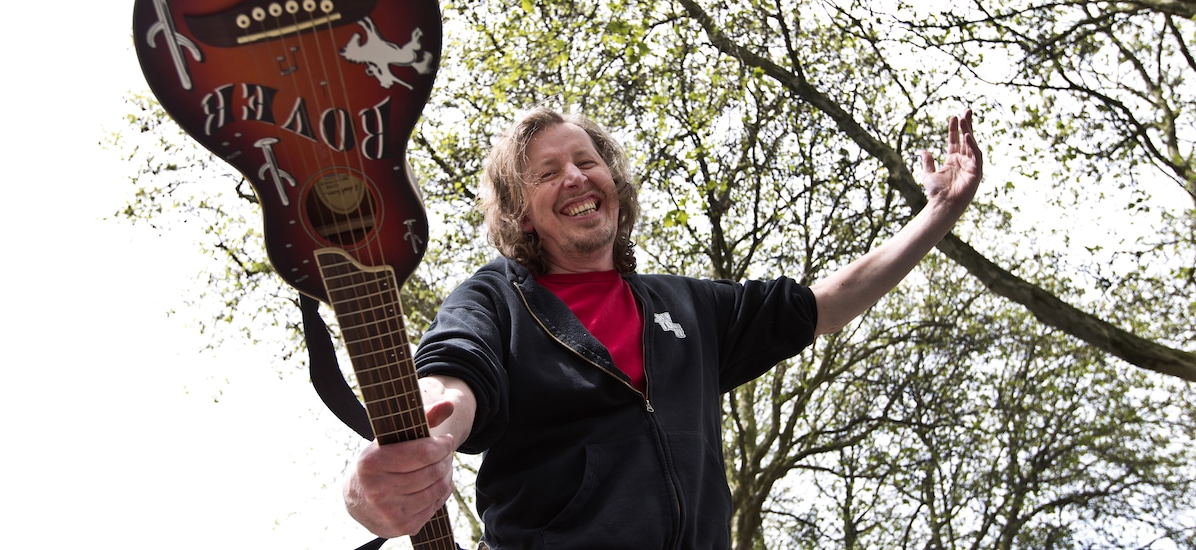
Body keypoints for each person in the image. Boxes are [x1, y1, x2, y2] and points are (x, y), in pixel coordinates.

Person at [343, 106, 983, 549]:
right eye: (546, 172)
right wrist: (416, 453)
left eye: (586, 161)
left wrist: (939, 212)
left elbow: (828, 302)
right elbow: (453, 374)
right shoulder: (500, 295)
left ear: (613, 185)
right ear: (523, 216)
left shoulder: (689, 307)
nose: (575, 176)